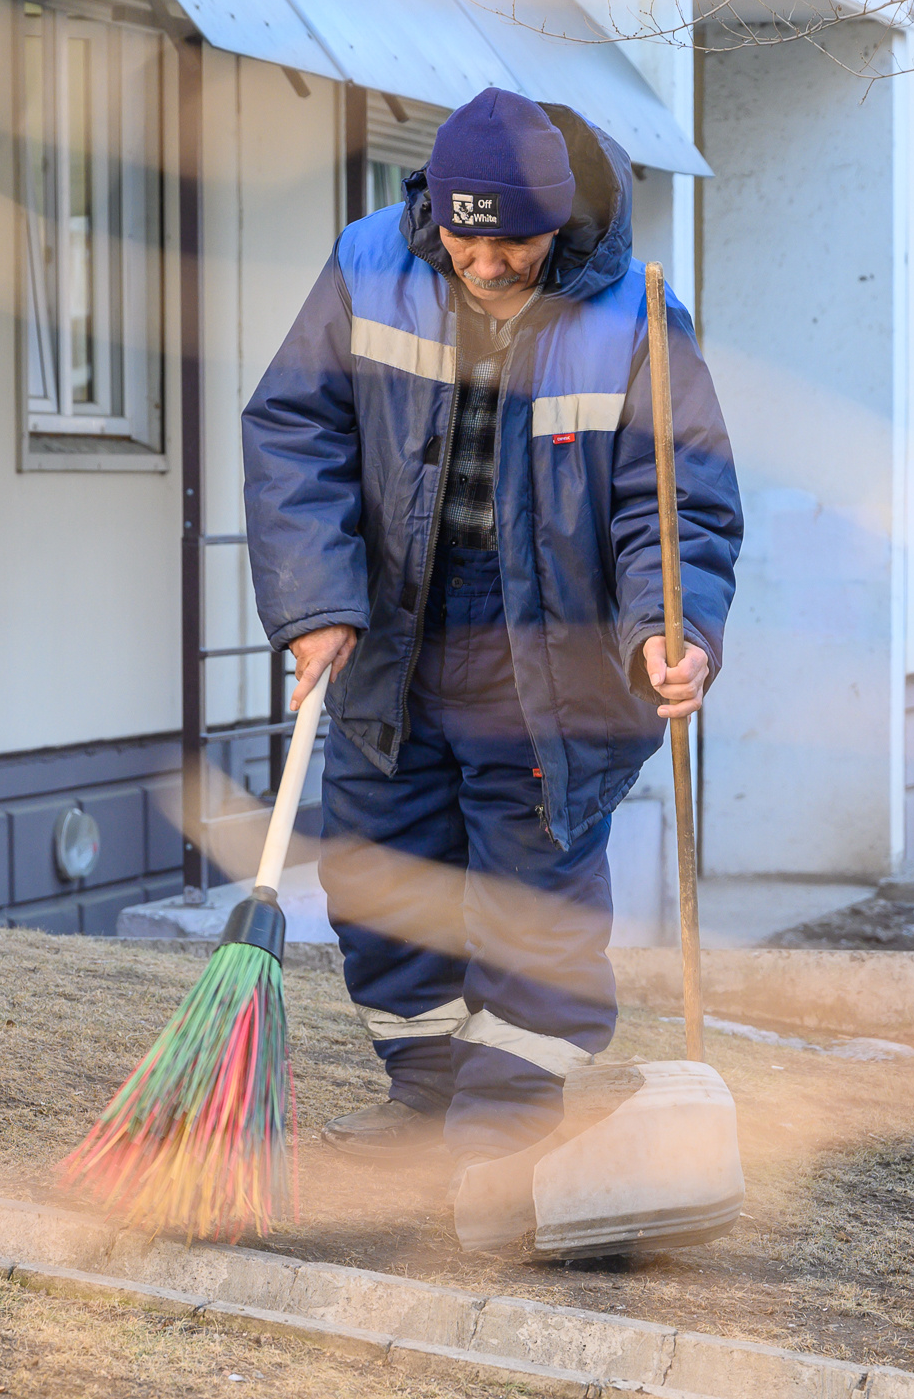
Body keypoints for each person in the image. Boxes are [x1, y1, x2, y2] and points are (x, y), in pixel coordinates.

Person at [241, 87, 741, 1188]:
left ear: (561, 222)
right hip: (392, 636)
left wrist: (670, 626)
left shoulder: (639, 319)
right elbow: (293, 429)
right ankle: (423, 1101)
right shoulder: (370, 262)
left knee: (531, 899)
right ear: (437, 210)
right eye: (470, 236)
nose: (491, 262)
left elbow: (676, 505)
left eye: (516, 240)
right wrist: (315, 601)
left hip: (554, 655)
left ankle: (505, 1129)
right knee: (384, 876)